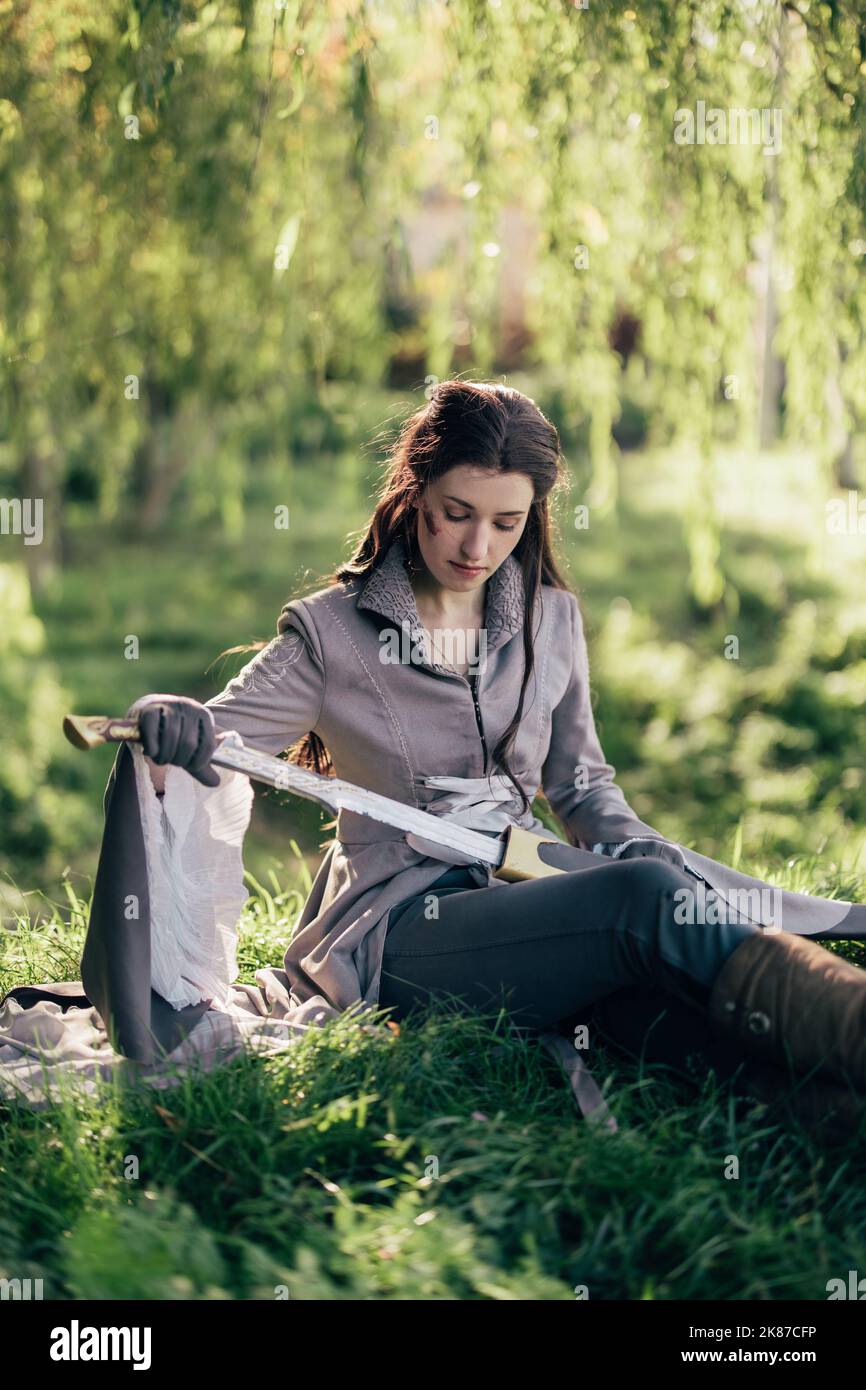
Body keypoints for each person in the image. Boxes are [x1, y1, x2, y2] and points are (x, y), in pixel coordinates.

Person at [3, 380, 866, 1128]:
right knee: (645, 906)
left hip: (529, 888)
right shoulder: (331, 633)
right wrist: (167, 722)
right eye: (456, 514)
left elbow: (582, 784)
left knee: (651, 980)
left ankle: (832, 1118)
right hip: (398, 931)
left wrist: (630, 845)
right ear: (415, 494)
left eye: (505, 522)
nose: (475, 547)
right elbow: (216, 741)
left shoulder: (550, 618)